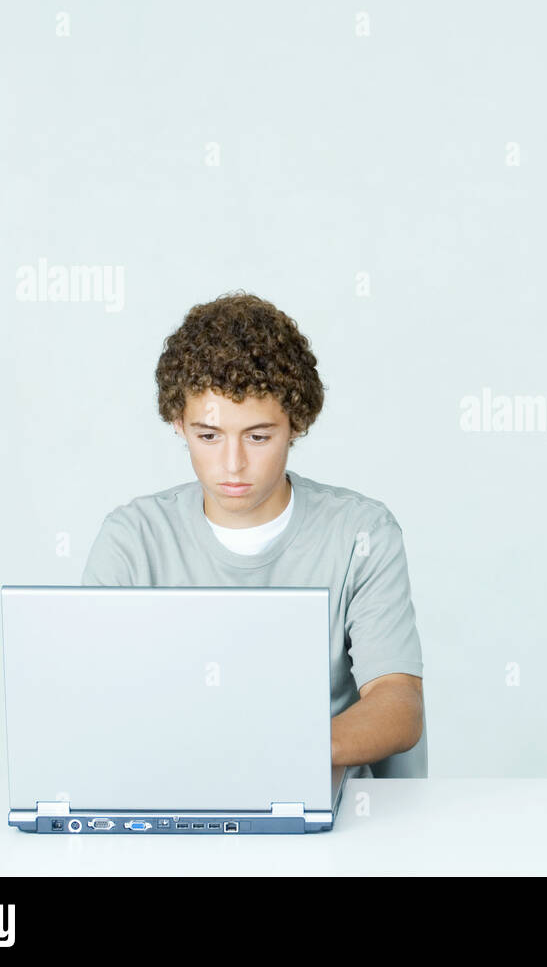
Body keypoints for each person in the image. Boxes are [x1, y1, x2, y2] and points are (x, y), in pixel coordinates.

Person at [81, 290, 425, 780]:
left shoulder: (361, 533)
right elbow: (90, 700)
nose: (233, 464)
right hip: (171, 789)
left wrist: (279, 752)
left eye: (259, 437)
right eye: (209, 436)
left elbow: (397, 701)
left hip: (322, 800)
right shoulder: (131, 539)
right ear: (178, 423)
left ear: (296, 425)